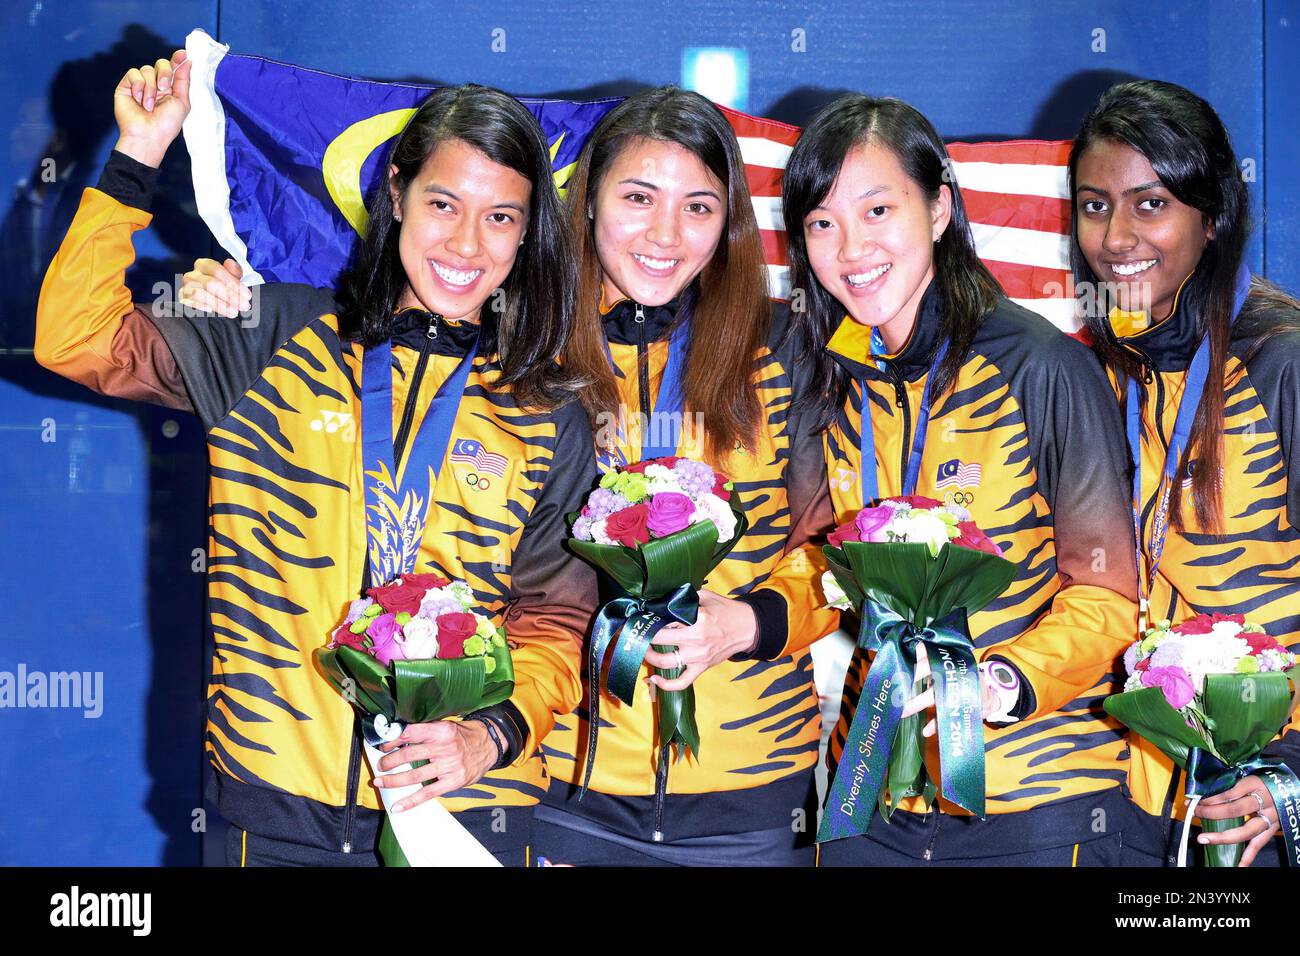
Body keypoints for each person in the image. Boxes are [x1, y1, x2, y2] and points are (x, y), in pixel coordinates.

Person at [35, 50, 596, 866]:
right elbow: (72, 340)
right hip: (272, 813)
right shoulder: (269, 333)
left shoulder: (545, 407)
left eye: (501, 217)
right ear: (396, 194)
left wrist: (491, 733)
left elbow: (561, 620)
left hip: (466, 819)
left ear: (527, 232)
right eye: (444, 203)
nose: (468, 244)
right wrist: (138, 156)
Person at [782, 93, 1140, 865]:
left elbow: (1108, 594)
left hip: (1033, 798)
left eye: (879, 210)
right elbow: (816, 561)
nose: (850, 248)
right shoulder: (829, 376)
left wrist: (1000, 684)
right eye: (822, 223)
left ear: (941, 208)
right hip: (870, 792)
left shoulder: (1040, 366)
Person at [534, 87, 838, 865]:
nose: (666, 234)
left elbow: (838, 553)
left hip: (752, 797)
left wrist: (747, 624)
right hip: (565, 783)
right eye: (638, 197)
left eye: (699, 207)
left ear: (729, 222)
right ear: (589, 200)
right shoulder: (528, 347)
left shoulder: (786, 346)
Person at [1069, 79, 1300, 867]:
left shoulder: (1281, 362)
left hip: (1260, 803)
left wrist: (1292, 776)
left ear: (1212, 216)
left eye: (1151, 204)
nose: (1117, 236)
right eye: (1095, 205)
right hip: (1139, 793)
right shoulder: (1114, 367)